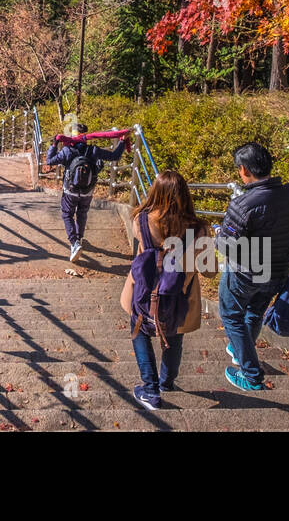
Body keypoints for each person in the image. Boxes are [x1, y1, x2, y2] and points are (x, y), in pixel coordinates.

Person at [216, 141, 289, 392]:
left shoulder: (243, 204)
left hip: (244, 273)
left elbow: (226, 245)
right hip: (278, 270)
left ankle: (251, 375)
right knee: (254, 313)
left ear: (244, 170)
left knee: (231, 316)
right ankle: (241, 351)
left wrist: (217, 233)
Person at [120, 170, 208, 410]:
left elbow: (143, 250)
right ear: (185, 195)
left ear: (155, 192)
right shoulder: (199, 229)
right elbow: (210, 271)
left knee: (139, 330)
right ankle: (166, 382)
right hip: (181, 295)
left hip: (144, 290)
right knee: (174, 335)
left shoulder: (140, 220)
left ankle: (150, 389)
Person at [45, 123, 130, 263]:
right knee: (82, 213)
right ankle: (79, 239)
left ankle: (74, 243)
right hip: (87, 191)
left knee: (67, 214)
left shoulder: (67, 151)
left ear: (72, 135)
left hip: (70, 191)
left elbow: (49, 161)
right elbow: (115, 156)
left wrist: (54, 145)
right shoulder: (93, 150)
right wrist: (122, 141)